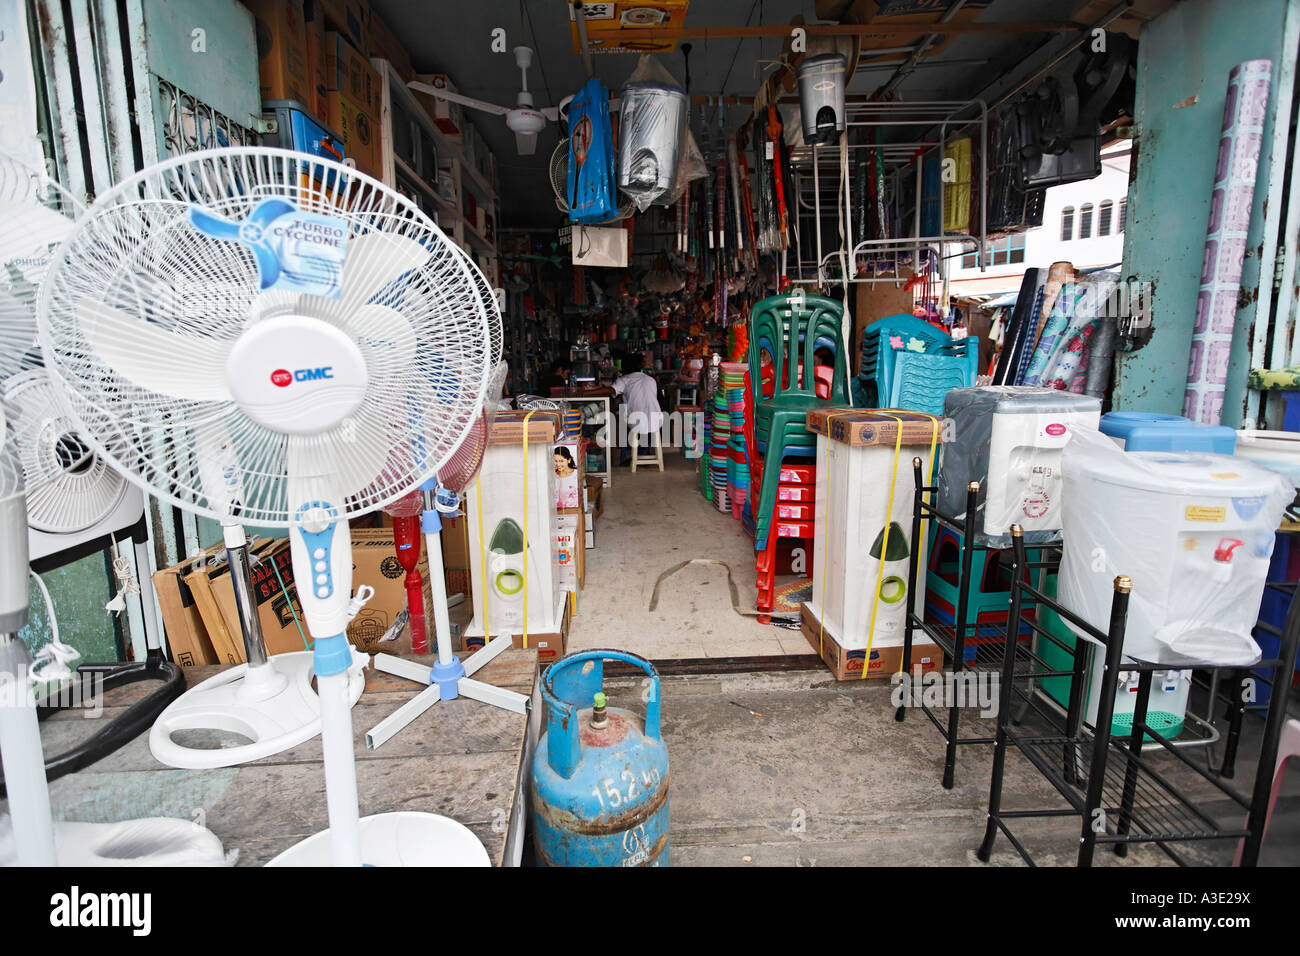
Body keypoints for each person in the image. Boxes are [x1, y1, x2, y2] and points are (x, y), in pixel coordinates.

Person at [574, 353, 663, 466]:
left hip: (637, 421)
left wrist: (584, 393)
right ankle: (643, 450)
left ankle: (625, 453)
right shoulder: (650, 380)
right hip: (657, 420)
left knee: (618, 417)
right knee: (634, 414)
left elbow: (610, 390)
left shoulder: (625, 379)